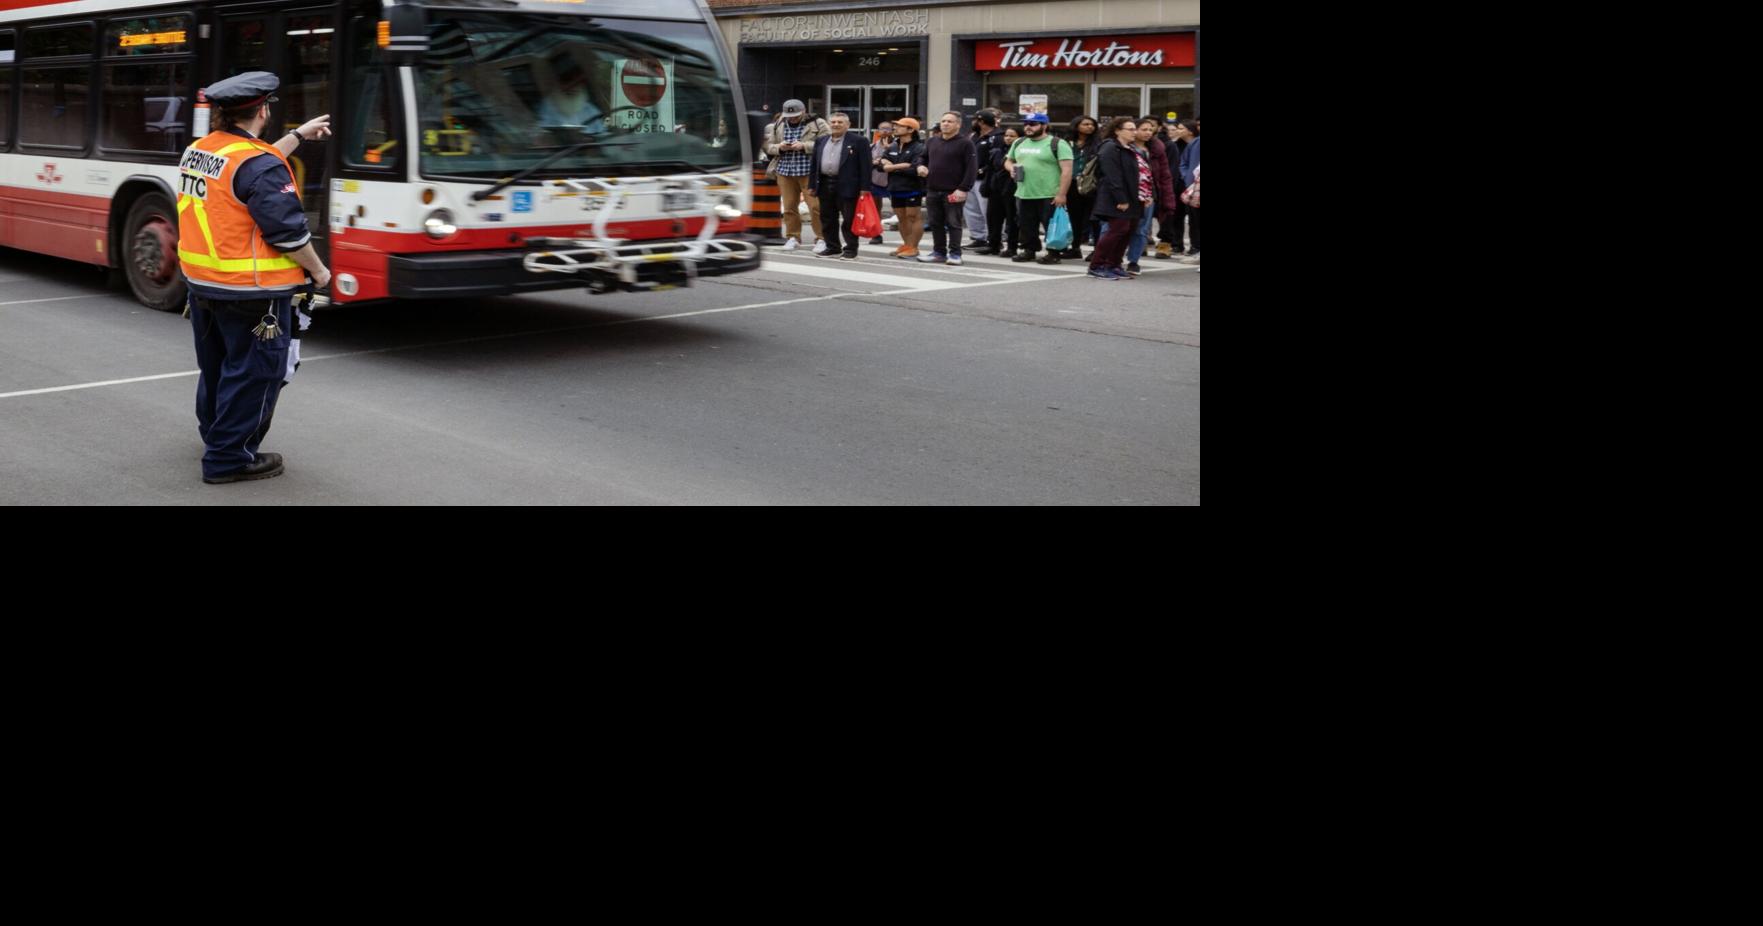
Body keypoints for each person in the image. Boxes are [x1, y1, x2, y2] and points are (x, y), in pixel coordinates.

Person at [177, 71, 332, 483]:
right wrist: (318, 271)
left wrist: (298, 135)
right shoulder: (257, 165)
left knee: (218, 368)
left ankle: (216, 435)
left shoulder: (201, 149)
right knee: (256, 374)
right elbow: (287, 232)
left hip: (204, 285)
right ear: (262, 110)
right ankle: (228, 459)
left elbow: (251, 170)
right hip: (252, 292)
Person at [1001, 112, 1073, 264]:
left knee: (1051, 225)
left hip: (1049, 193)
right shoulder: (1019, 142)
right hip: (1024, 192)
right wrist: (1011, 168)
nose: (1028, 127)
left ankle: (1053, 252)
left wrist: (1062, 194)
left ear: (1044, 126)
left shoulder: (1057, 143)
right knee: (1025, 224)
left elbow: (1067, 171)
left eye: (1033, 124)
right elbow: (1008, 161)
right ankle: (1029, 250)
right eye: (1026, 124)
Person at [763, 99, 831, 251]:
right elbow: (768, 146)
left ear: (804, 111)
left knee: (815, 206)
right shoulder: (778, 124)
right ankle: (793, 237)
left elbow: (828, 142)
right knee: (789, 207)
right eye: (789, 115)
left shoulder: (817, 122)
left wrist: (804, 146)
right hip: (784, 170)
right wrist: (780, 148)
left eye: (796, 115)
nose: (792, 118)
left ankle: (821, 238)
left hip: (809, 171)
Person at [1087, 117, 1147, 280]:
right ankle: (1097, 265)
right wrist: (1121, 198)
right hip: (1116, 197)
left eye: (1135, 129)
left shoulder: (1130, 148)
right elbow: (1112, 175)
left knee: (1127, 231)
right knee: (1116, 230)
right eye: (1130, 129)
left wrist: (1147, 194)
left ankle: (1113, 265)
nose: (1134, 132)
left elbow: (1142, 173)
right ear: (1117, 131)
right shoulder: (1110, 147)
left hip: (1133, 197)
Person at [807, 112, 872, 260]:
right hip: (824, 183)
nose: (836, 125)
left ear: (848, 125)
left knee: (849, 219)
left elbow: (866, 166)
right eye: (833, 122)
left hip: (848, 185)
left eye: (840, 122)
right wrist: (812, 185)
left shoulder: (859, 141)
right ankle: (832, 247)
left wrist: (865, 188)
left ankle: (850, 249)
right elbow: (814, 165)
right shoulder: (821, 140)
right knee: (827, 218)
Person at [917, 110, 977, 266]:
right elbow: (923, 157)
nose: (945, 124)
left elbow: (971, 168)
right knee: (935, 223)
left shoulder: (965, 143)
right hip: (933, 189)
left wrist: (963, 188)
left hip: (953, 191)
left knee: (954, 223)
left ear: (958, 124)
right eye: (943, 121)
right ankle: (939, 252)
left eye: (950, 121)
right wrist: (921, 166)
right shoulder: (932, 141)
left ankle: (955, 254)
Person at [1124, 116, 1178, 275]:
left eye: (1150, 129)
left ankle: (1134, 261)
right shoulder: (1123, 147)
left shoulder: (1156, 148)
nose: (1148, 132)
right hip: (1125, 195)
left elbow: (1165, 175)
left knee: (1141, 229)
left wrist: (1167, 197)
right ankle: (1112, 258)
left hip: (1148, 196)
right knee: (1118, 228)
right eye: (1144, 129)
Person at [878, 118, 928, 259]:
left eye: (900, 126)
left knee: (913, 216)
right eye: (895, 125)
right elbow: (881, 165)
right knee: (901, 218)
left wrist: (891, 167)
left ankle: (914, 247)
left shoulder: (919, 147)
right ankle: (906, 244)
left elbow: (914, 168)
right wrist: (899, 166)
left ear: (911, 130)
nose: (895, 127)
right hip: (895, 187)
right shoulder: (893, 146)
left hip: (912, 186)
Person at [966, 110, 1005, 253]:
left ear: (982, 122)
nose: (973, 123)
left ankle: (993, 238)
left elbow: (998, 158)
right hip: (970, 178)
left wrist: (983, 170)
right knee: (971, 209)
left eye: (975, 120)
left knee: (987, 210)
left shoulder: (997, 137)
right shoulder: (973, 136)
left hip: (986, 180)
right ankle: (978, 237)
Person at [1064, 115, 1101, 259]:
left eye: (1092, 124)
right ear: (1076, 126)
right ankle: (1075, 247)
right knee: (1074, 216)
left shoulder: (1098, 143)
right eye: (1085, 124)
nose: (1089, 127)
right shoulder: (1066, 143)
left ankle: (1098, 248)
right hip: (1072, 183)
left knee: (1094, 217)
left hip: (1090, 183)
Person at [985, 126, 1022, 258]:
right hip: (996, 189)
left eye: (1012, 136)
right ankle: (993, 244)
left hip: (1013, 189)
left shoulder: (1022, 151)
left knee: (1012, 219)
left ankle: (1012, 247)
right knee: (993, 217)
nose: (1008, 138)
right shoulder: (997, 151)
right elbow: (991, 170)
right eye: (1006, 135)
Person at [1173, 119, 1201, 263]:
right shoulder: (1195, 143)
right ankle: (1196, 248)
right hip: (1194, 188)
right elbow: (1183, 163)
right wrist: (1187, 177)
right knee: (1195, 220)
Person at [868, 120, 894, 245]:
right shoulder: (872, 146)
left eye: (888, 128)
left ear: (893, 131)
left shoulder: (898, 145)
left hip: (894, 181)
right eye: (882, 128)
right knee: (875, 209)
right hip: (876, 180)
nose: (885, 131)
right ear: (877, 131)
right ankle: (876, 234)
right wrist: (874, 162)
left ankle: (909, 240)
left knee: (900, 209)